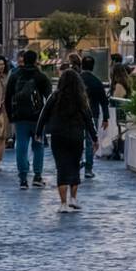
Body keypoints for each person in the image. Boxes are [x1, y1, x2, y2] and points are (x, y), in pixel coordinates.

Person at [35, 68, 98, 213]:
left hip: (58, 136)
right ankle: (73, 199)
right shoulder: (80, 98)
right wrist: (94, 138)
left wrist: (39, 132)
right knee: (75, 166)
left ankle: (63, 203)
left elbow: (43, 115)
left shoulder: (55, 96)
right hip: (76, 136)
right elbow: (89, 120)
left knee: (61, 168)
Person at [5, 49, 51, 189]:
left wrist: (10, 115)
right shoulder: (41, 76)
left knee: (21, 146)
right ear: (36, 60)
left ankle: (23, 178)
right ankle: (37, 176)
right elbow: (49, 97)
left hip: (20, 117)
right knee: (38, 146)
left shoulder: (15, 75)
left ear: (23, 59)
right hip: (37, 118)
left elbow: (8, 97)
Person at [78, 55, 110, 178]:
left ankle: (79, 161)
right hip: (93, 115)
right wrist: (106, 118)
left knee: (78, 139)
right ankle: (88, 169)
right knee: (91, 141)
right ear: (93, 66)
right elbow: (104, 101)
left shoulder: (77, 79)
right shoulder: (96, 81)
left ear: (82, 65)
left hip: (78, 114)